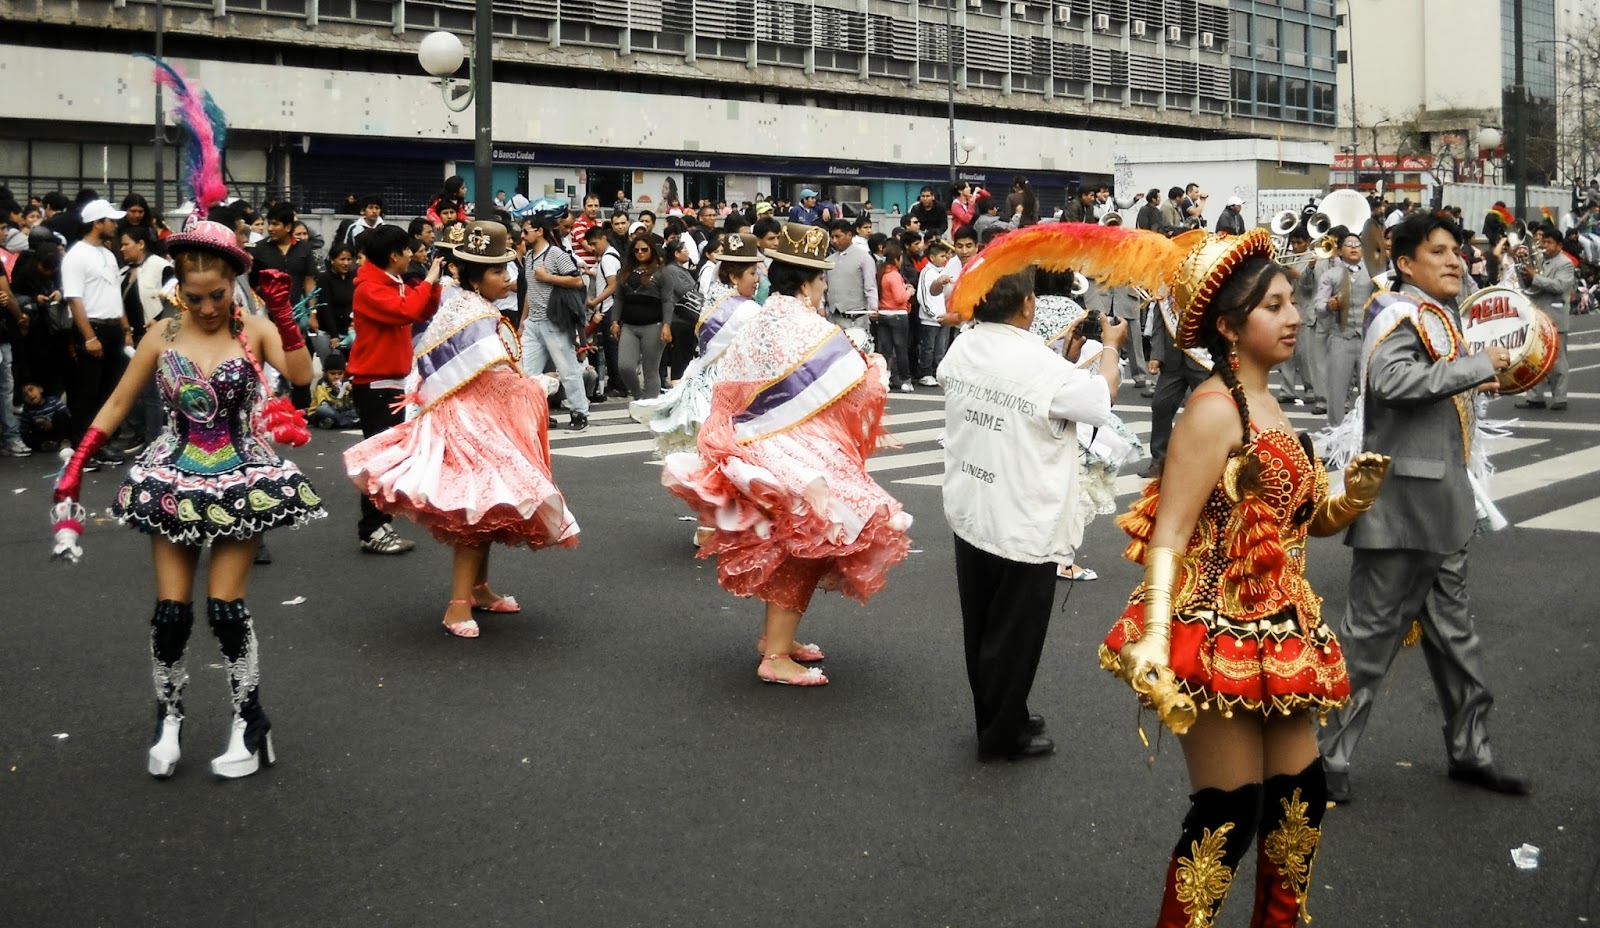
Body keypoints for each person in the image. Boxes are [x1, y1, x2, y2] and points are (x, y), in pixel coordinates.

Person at [1069, 225, 1391, 926]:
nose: (1295, 316)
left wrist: (1348, 501)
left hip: (1281, 627)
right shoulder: (1213, 411)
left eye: (1290, 303)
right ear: (1228, 325)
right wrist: (1155, 640)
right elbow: (1171, 533)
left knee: (1299, 801)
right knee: (1228, 815)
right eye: (1274, 306)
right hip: (1216, 632)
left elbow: (1292, 525)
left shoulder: (1269, 403)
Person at [50, 220, 323, 779]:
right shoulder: (163, 335)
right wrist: (78, 461)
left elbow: (302, 379)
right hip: (170, 477)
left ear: (233, 285)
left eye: (216, 296)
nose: (205, 308)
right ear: (179, 290)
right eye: (192, 297)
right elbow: (119, 401)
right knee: (170, 614)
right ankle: (168, 719)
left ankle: (250, 723)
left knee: (226, 610)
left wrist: (286, 314)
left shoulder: (256, 327)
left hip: (240, 476)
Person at [1318, 211, 1530, 803]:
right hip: (1401, 507)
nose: (1455, 260)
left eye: (1456, 250)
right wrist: (1478, 366)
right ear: (1404, 261)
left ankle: (1472, 751)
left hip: (1444, 506)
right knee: (1368, 640)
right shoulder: (1396, 312)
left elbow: (1444, 387)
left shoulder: (1440, 316)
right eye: (1438, 251)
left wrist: (1490, 369)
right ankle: (1327, 757)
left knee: (1456, 639)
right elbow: (1393, 383)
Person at [662, 222, 913, 687]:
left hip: (757, 446)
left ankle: (776, 638)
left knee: (796, 542)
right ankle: (776, 654)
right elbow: (859, 390)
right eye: (821, 279)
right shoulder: (805, 326)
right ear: (806, 281)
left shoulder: (762, 318)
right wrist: (875, 364)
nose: (823, 288)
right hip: (792, 452)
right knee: (806, 541)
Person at [346, 221, 579, 638]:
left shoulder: (469, 306)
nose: (508, 278)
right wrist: (536, 384)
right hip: (466, 423)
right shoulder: (470, 312)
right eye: (497, 272)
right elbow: (486, 379)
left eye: (508, 269)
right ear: (473, 276)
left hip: (484, 421)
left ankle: (480, 589)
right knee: (476, 510)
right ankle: (457, 606)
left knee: (489, 509)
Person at [939, 253, 1125, 760]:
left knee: (980, 625)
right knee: (1014, 635)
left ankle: (1002, 712)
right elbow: (1099, 402)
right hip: (1022, 516)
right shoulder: (1046, 368)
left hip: (972, 503)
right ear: (1028, 305)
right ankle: (1000, 735)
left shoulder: (963, 347)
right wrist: (1109, 348)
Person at [630, 232, 764, 496]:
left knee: (720, 458)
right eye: (752, 273)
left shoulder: (718, 297)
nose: (757, 279)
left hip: (715, 381)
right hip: (726, 386)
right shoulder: (746, 310)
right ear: (735, 277)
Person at [349, 223, 444, 555]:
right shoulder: (369, 288)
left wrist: (431, 285)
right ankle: (372, 528)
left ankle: (381, 520)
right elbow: (407, 311)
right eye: (407, 250)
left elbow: (422, 311)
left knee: (389, 457)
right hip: (375, 382)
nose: (411, 255)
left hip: (389, 379)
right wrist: (429, 279)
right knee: (379, 459)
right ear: (393, 255)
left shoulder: (391, 282)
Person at [1312, 227, 1374, 425]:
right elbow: (1319, 307)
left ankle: (1368, 436)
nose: (1354, 248)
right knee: (1337, 392)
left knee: (1370, 391)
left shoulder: (1374, 274)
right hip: (1341, 337)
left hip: (1367, 338)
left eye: (1357, 244)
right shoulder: (1331, 275)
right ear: (1339, 251)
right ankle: (1335, 435)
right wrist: (1329, 306)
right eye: (1348, 245)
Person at [1515, 222, 1575, 410]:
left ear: (1559, 245)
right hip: (1537, 315)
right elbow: (1530, 286)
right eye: (1543, 242)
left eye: (1549, 243)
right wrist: (1523, 274)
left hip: (1555, 316)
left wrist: (1534, 277)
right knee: (1533, 358)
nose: (1544, 246)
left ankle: (1560, 398)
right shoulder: (1541, 259)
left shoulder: (1565, 263)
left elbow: (1559, 286)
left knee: (1557, 360)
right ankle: (1535, 397)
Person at [915, 240, 961, 386]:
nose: (944, 259)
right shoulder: (926, 272)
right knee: (928, 348)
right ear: (932, 257)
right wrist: (932, 314)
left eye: (945, 256)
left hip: (945, 317)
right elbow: (922, 295)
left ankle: (938, 372)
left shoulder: (946, 271)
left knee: (941, 348)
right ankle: (926, 373)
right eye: (941, 256)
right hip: (930, 319)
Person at [873, 239, 914, 392]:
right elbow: (899, 298)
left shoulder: (882, 273)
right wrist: (909, 291)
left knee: (885, 349)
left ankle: (884, 378)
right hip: (898, 314)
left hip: (884, 313)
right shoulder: (895, 275)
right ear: (897, 259)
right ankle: (905, 380)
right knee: (901, 349)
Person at [308, 350, 358, 429]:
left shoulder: (346, 383)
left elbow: (351, 404)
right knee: (323, 410)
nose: (336, 377)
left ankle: (334, 422)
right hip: (324, 411)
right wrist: (334, 392)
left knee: (358, 410)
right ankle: (346, 422)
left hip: (341, 411)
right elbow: (323, 404)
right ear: (326, 373)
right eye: (333, 373)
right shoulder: (322, 384)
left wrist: (352, 392)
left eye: (340, 373)